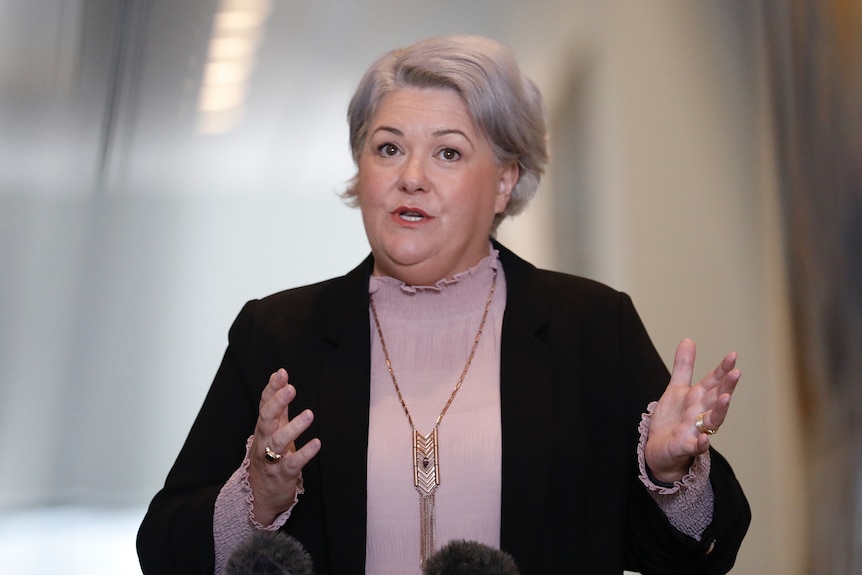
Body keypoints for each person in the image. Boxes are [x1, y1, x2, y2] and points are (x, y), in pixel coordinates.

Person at [137, 34, 750, 574]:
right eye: (388, 148)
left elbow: (695, 557)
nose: (412, 177)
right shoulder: (276, 334)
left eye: (449, 153)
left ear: (506, 180)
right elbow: (163, 550)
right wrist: (258, 495)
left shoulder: (589, 327)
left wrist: (667, 477)